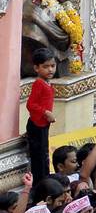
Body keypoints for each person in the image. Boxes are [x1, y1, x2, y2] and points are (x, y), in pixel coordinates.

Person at [25, 46, 56, 184]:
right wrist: (46, 112)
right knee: (39, 156)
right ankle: (41, 182)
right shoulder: (39, 83)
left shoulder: (46, 83)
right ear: (37, 68)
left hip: (43, 124)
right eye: (45, 66)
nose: (50, 70)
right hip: (37, 125)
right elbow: (30, 105)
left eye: (52, 66)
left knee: (44, 154)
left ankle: (45, 180)